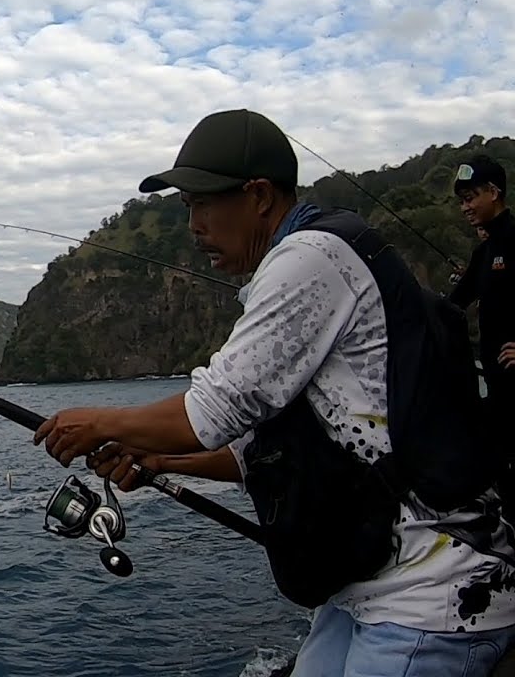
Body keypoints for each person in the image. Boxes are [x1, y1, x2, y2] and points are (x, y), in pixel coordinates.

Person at [33, 108, 515, 676]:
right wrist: (160, 459)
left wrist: (97, 423)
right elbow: (259, 450)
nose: (194, 225)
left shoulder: (308, 259)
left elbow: (212, 411)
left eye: (202, 203)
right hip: (371, 584)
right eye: (187, 206)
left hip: (435, 590)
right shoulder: (319, 255)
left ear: (259, 195)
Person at [449, 155, 515, 405]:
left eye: (470, 198)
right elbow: (452, 304)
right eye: (462, 201)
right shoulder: (483, 252)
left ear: (493, 193)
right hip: (496, 383)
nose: (464, 207)